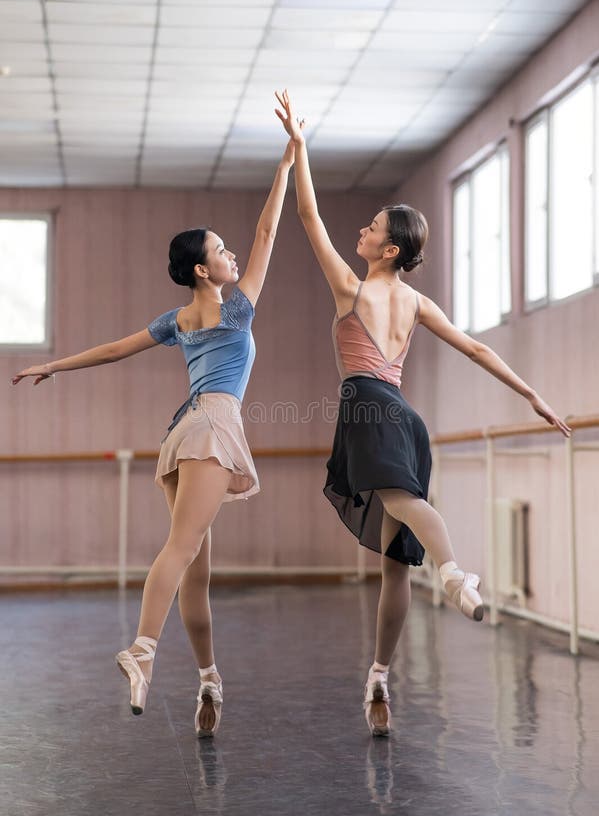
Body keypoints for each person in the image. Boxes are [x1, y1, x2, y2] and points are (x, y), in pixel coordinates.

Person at [274, 89, 570, 737]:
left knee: (403, 511)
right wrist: (530, 395)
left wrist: (299, 148)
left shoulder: (351, 287)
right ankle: (379, 677)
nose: (363, 229)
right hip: (404, 415)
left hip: (368, 408)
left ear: (386, 251)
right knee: (390, 560)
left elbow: (306, 214)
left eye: (373, 227)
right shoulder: (413, 302)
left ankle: (453, 572)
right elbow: (475, 346)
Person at [12, 139, 296, 737]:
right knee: (181, 551)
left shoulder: (178, 319)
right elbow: (269, 231)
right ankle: (142, 650)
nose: (233, 252)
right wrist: (287, 166)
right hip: (212, 428)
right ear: (203, 269)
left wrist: (53, 365)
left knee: (196, 567)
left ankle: (209, 682)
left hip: (179, 435)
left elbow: (116, 349)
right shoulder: (236, 310)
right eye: (221, 250)